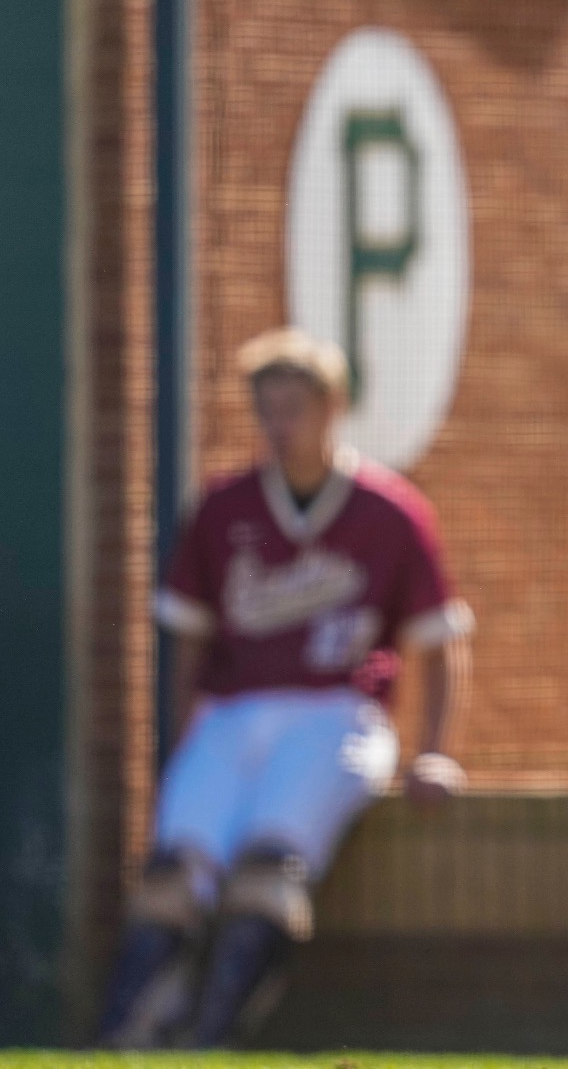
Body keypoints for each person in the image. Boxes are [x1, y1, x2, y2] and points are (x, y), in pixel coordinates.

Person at [98, 328, 473, 1048]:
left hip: (336, 715)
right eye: (266, 408)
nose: (280, 424)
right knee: (172, 877)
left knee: (268, 874)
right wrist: (183, 742)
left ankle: (210, 1043)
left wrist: (433, 752)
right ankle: (124, 1042)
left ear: (333, 406)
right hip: (232, 716)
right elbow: (189, 643)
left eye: (294, 407)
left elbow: (439, 641)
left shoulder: (389, 511)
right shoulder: (224, 506)